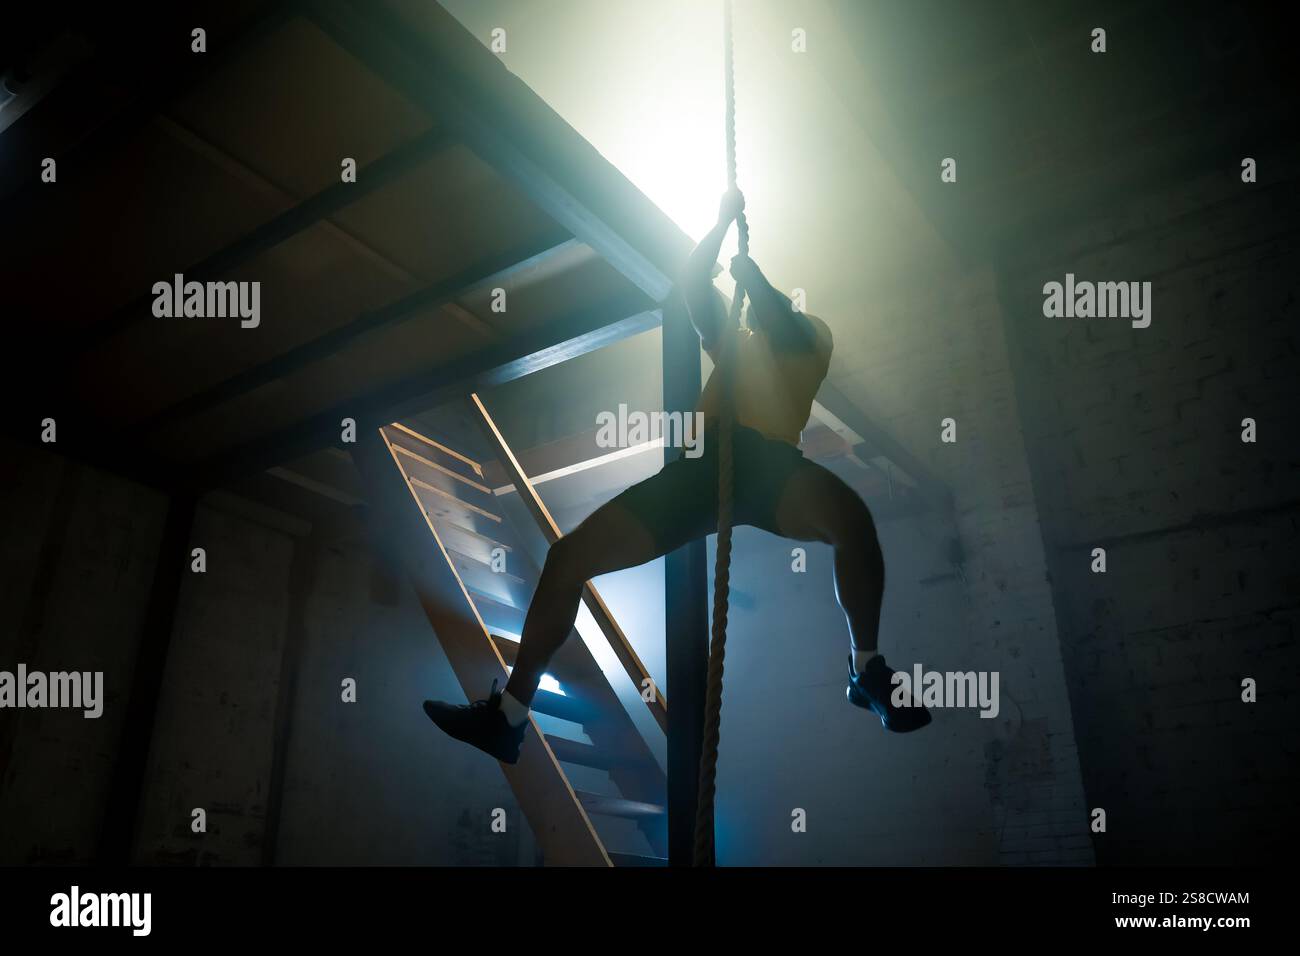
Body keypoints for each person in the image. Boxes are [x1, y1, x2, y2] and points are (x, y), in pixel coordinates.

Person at [423, 188, 930, 764]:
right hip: (700, 469)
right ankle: (508, 716)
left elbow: (783, 327)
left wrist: (750, 276)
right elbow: (692, 287)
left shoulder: (812, 334)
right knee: (567, 561)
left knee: (851, 519)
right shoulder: (736, 345)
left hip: (766, 467)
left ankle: (866, 670)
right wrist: (716, 230)